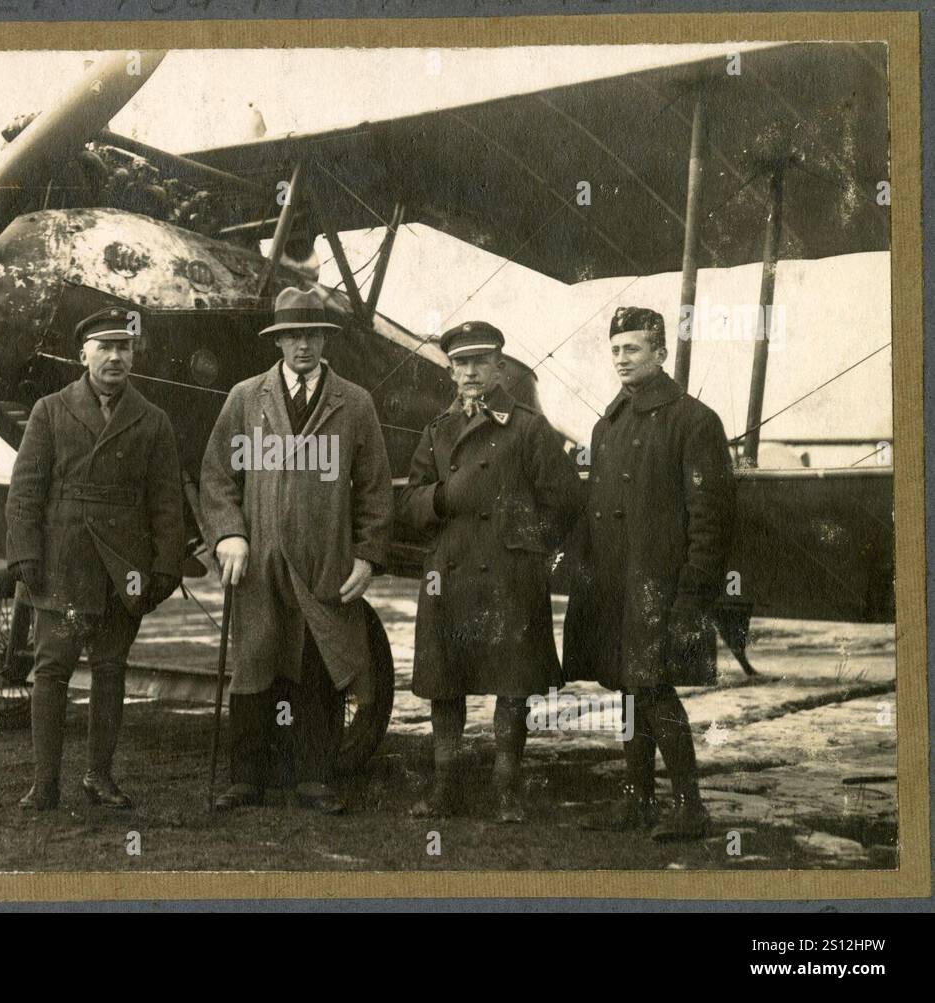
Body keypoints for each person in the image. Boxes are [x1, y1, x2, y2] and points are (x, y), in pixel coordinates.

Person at [201, 286, 393, 815]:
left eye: (312, 335)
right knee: (256, 662)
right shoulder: (246, 399)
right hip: (259, 560)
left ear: (325, 340)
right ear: (278, 341)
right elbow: (217, 476)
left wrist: (368, 555)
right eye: (292, 336)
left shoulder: (354, 403)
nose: (302, 346)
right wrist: (228, 535)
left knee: (319, 663)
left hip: (324, 560)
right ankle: (246, 779)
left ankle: (314, 778)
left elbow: (376, 487)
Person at [563, 306, 735, 841]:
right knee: (631, 691)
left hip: (663, 586)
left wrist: (692, 593)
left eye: (632, 349)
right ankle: (636, 802)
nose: (621, 359)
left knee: (655, 690)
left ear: (660, 354)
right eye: (615, 349)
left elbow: (710, 518)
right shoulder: (607, 423)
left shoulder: (695, 421)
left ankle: (691, 808)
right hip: (616, 585)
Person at [396, 321, 581, 822]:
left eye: (480, 361)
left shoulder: (527, 427)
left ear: (500, 366)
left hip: (508, 572)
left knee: (512, 684)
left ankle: (506, 790)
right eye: (461, 363)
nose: (471, 371)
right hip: (449, 573)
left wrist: (526, 546)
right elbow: (409, 501)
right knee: (444, 683)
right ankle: (444, 788)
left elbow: (564, 499)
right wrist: (439, 497)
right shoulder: (436, 432)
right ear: (451, 371)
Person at [5, 307, 185, 811]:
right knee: (52, 671)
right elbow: (24, 494)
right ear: (81, 354)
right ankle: (45, 785)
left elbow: (167, 503)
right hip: (63, 563)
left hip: (121, 566)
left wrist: (166, 568)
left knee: (111, 669)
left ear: (133, 355)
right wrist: (24, 554)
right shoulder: (51, 410)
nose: (114, 357)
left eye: (123, 347)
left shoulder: (153, 420)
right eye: (104, 347)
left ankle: (99, 778)